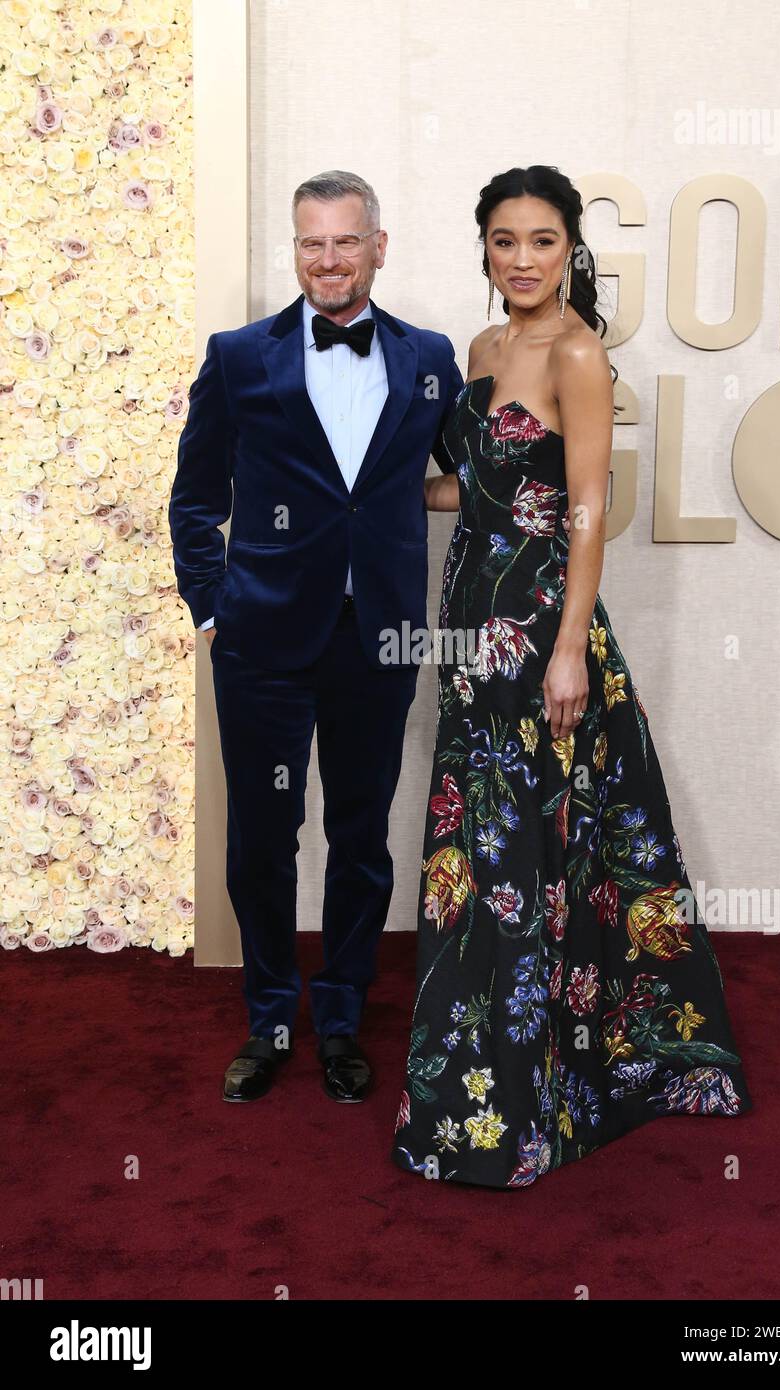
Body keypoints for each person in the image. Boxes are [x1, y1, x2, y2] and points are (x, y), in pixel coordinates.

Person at [392, 165, 753, 1187]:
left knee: (534, 857)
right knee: (482, 851)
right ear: (484, 246)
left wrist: (565, 647)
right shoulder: (482, 348)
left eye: (541, 241)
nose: (520, 259)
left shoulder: (576, 353)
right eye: (503, 240)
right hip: (469, 632)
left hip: (540, 631)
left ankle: (532, 1097)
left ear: (569, 250)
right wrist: (354, 492)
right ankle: (476, 1071)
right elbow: (472, 490)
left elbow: (585, 507)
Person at [169, 170, 462, 1104]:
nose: (328, 260)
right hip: (262, 640)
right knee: (262, 839)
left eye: (345, 242)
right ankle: (268, 1017)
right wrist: (213, 609)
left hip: (378, 638)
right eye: (311, 244)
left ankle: (339, 1016)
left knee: (361, 835)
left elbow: (467, 474)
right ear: (294, 250)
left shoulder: (429, 355)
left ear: (380, 245)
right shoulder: (239, 357)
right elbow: (194, 498)